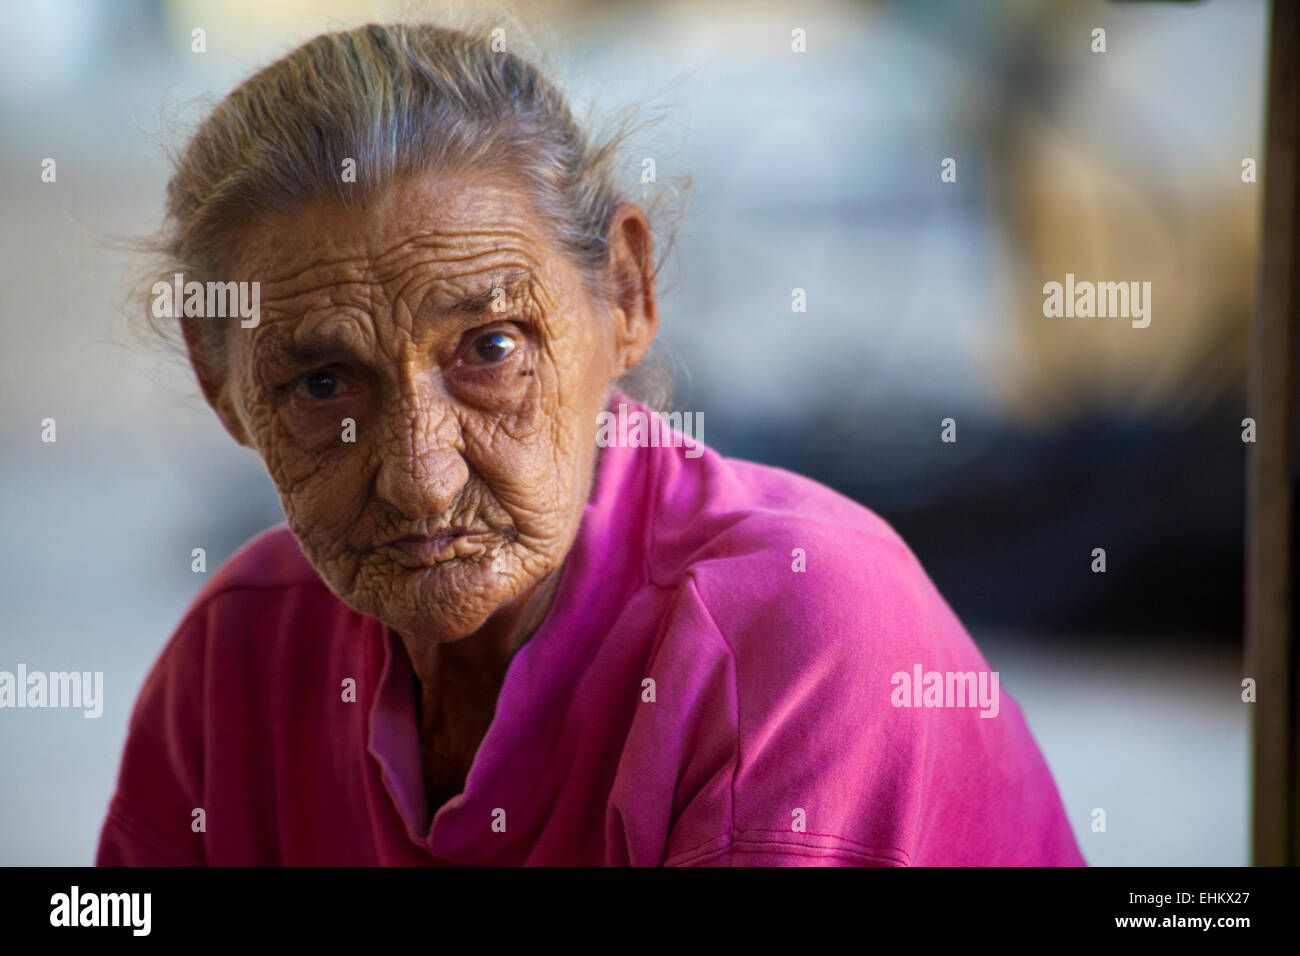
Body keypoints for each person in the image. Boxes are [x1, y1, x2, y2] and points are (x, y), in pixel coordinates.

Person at [97, 22, 1085, 866]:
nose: (423, 481)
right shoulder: (239, 656)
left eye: (489, 349)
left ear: (625, 292)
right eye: (323, 383)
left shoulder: (800, 633)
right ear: (220, 379)